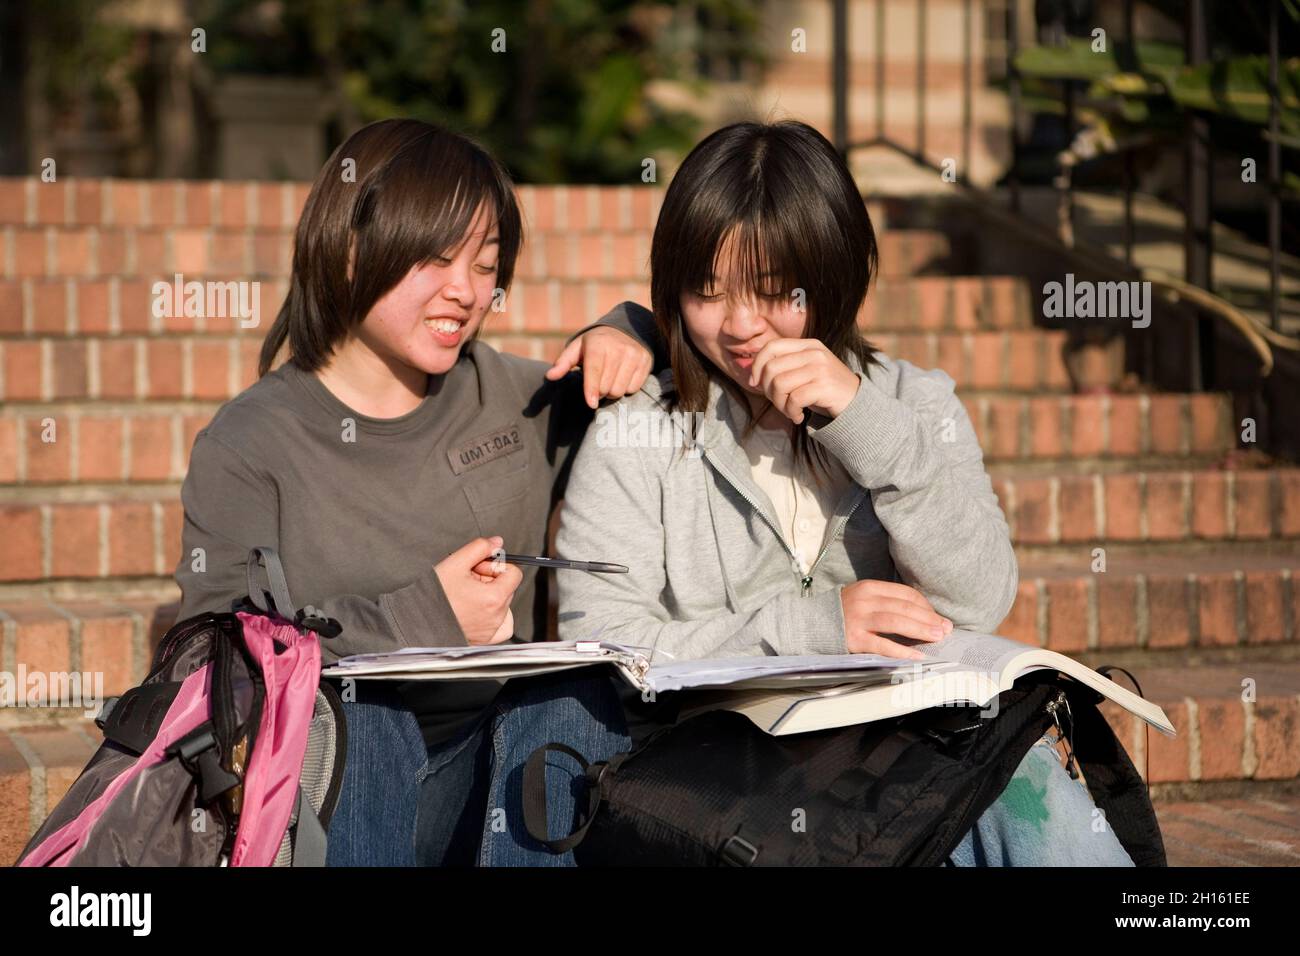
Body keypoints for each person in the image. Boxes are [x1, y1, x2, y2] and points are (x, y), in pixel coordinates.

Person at [555, 120, 1134, 866]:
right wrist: (807, 628)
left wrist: (864, 424)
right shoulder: (642, 431)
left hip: (904, 758)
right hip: (724, 771)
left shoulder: (914, 405)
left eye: (770, 293)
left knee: (1030, 792)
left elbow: (979, 596)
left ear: (830, 276)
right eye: (705, 291)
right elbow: (604, 647)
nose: (738, 326)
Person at [173, 118, 664, 866]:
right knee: (371, 718)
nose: (466, 292)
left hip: (504, 789)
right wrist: (423, 615)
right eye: (436, 259)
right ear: (347, 252)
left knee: (571, 696)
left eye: (486, 264)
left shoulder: (516, 398)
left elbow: (681, 348)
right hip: (340, 795)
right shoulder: (251, 442)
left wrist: (627, 328)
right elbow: (212, 664)